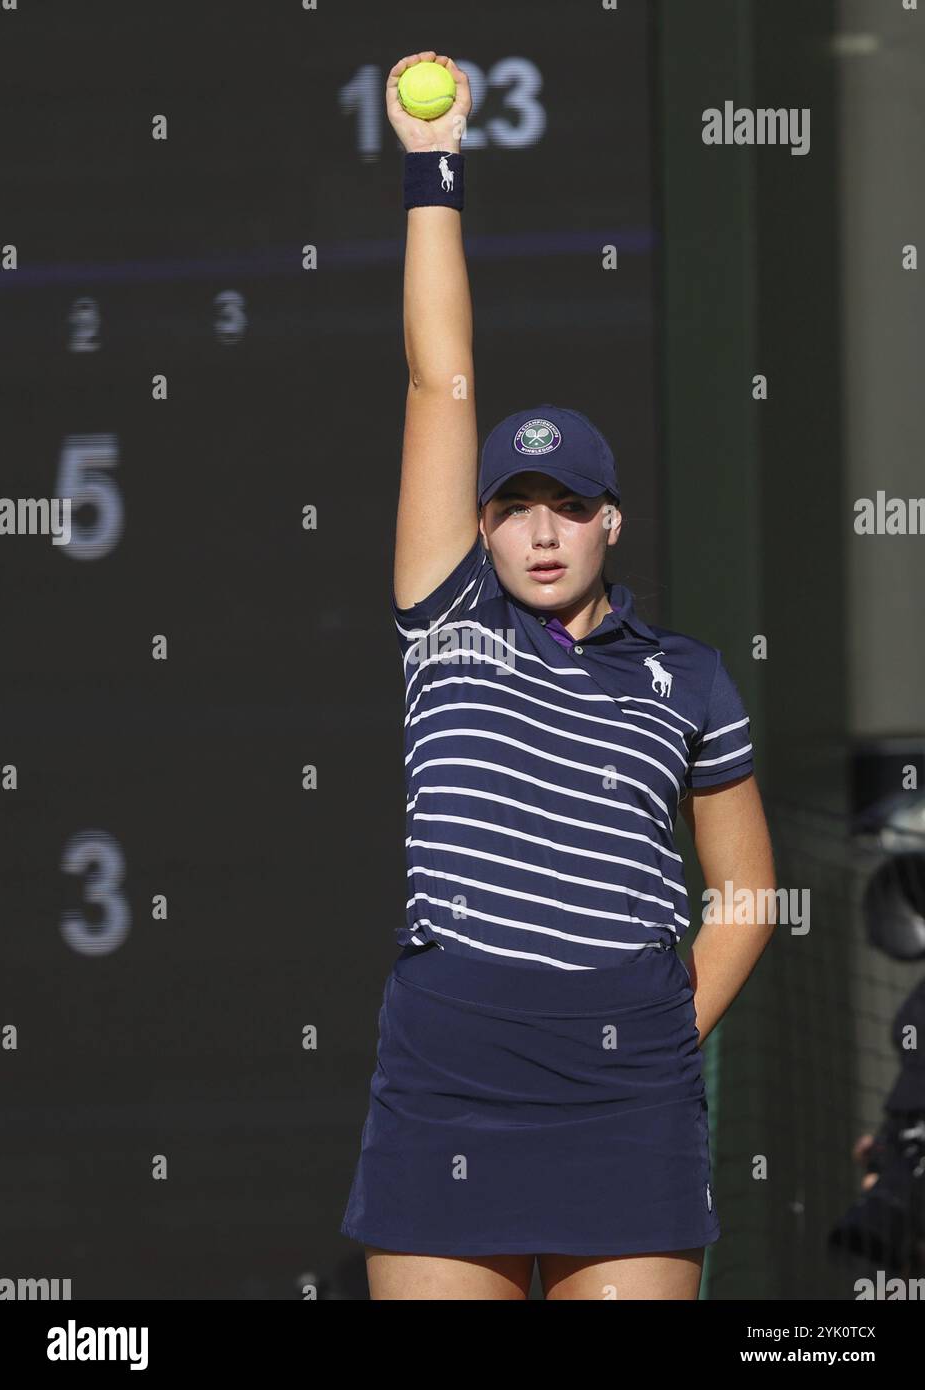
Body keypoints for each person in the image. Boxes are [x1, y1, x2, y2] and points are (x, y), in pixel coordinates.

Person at [340, 51, 777, 1301]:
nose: (540, 530)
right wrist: (434, 163)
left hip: (624, 1091)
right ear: (479, 529)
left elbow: (746, 892)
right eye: (515, 506)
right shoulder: (444, 623)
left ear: (609, 525)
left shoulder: (687, 679)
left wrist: (649, 1037)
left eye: (568, 505)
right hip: (451, 1070)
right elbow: (440, 371)